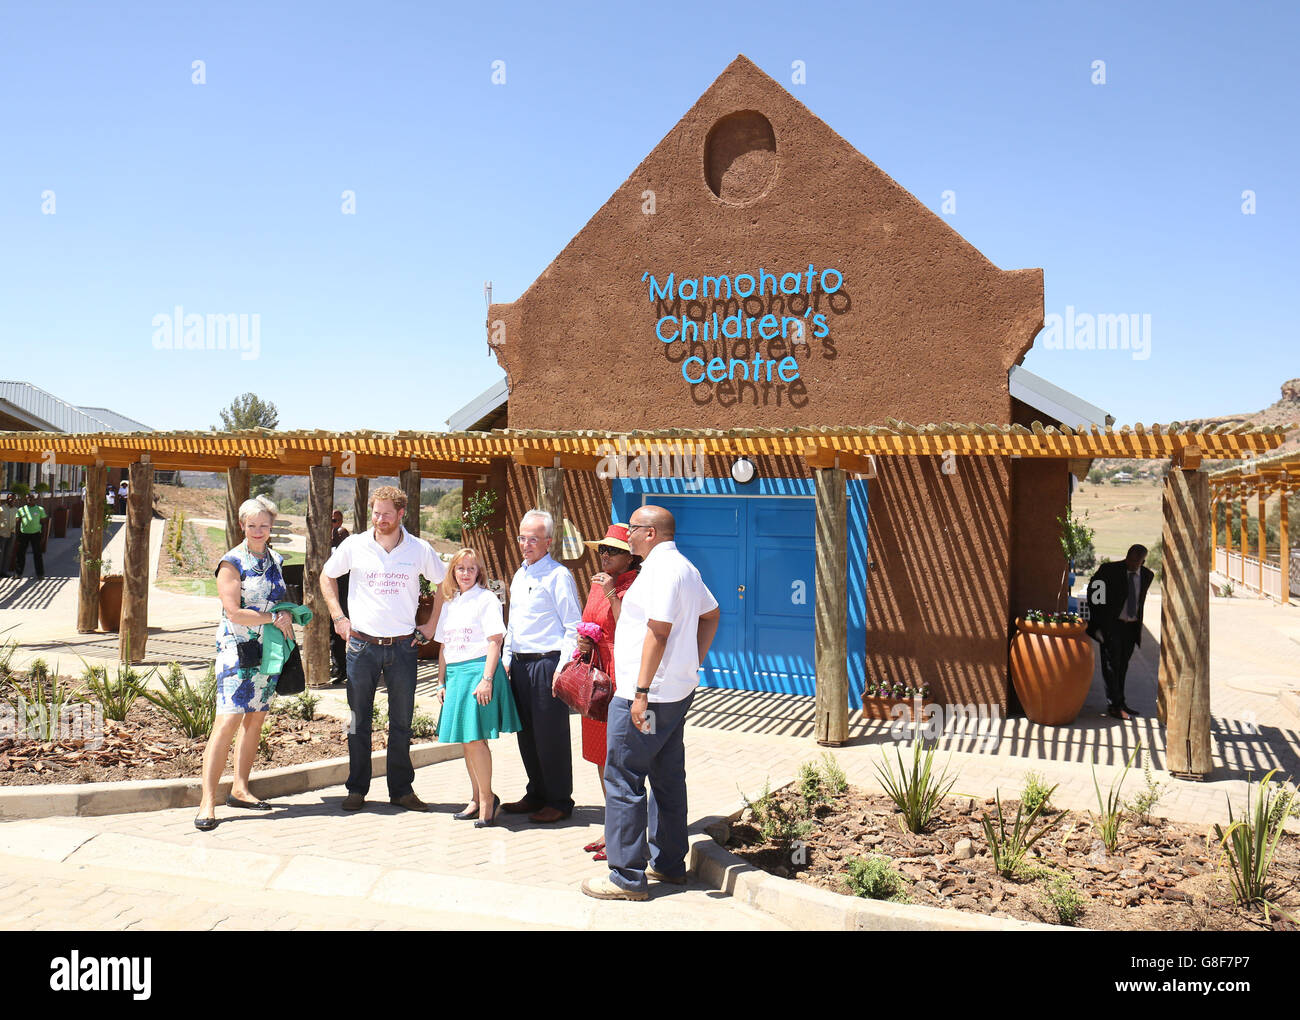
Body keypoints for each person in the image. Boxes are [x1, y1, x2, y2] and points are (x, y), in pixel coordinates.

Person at [582, 505, 719, 901]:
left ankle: (626, 877)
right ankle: (669, 864)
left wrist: (640, 693)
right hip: (673, 694)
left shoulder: (660, 572)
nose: (627, 537)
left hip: (646, 697)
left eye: (633, 530)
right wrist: (691, 661)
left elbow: (658, 631)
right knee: (666, 775)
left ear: (650, 534)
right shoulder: (687, 570)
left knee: (623, 777)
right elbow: (712, 616)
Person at [320, 485, 446, 812]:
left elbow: (444, 583)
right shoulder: (355, 545)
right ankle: (357, 789)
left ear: (401, 514)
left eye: (387, 514)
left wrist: (431, 625)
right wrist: (338, 617)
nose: (380, 520)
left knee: (402, 722)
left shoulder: (419, 549)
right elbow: (326, 576)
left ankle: (401, 791)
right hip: (362, 645)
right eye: (376, 513)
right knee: (357, 720)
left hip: (403, 647)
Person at [196, 495, 296, 830]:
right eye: (252, 525)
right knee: (226, 723)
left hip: (268, 651)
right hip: (236, 650)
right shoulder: (231, 562)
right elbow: (234, 611)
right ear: (242, 525)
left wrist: (287, 625)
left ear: (271, 527)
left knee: (255, 720)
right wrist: (273, 617)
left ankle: (240, 788)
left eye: (264, 525)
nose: (258, 530)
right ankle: (207, 802)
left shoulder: (276, 559)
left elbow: (281, 601)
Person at [501, 508, 582, 823]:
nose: (526, 544)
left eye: (533, 539)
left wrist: (562, 667)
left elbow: (573, 626)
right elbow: (513, 625)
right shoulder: (520, 574)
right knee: (527, 734)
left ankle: (559, 801)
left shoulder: (558, 575)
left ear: (548, 541)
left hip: (547, 664)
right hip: (520, 666)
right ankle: (536, 794)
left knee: (552, 736)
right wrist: (506, 662)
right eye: (522, 538)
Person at [434, 548, 522, 826]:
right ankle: (475, 797)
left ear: (479, 572)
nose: (466, 574)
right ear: (453, 573)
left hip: (478, 672)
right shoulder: (450, 604)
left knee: (476, 739)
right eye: (460, 569)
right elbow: (444, 646)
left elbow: (495, 641)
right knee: (466, 740)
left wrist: (487, 679)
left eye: (471, 569)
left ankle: (487, 800)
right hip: (456, 675)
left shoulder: (486, 599)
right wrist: (440, 681)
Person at [574, 524, 641, 861]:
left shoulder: (636, 584)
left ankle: (628, 832)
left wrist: (614, 592)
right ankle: (611, 825)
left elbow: (630, 626)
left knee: (620, 755)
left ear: (631, 556)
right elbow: (591, 622)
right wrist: (584, 640)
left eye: (613, 551)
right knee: (601, 754)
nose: (605, 555)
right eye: (602, 550)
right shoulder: (597, 583)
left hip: (622, 673)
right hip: (597, 674)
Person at [1085, 544, 1154, 721]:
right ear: (1126, 555)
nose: (1131, 563)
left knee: (1122, 666)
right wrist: (1099, 621)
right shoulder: (1108, 570)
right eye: (1129, 559)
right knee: (1111, 666)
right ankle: (1114, 705)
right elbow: (1094, 593)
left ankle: (1120, 702)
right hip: (1112, 626)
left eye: (1136, 561)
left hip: (1131, 628)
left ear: (1143, 561)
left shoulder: (1147, 576)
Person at [328, 510, 351, 681]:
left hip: (342, 590)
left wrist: (332, 531)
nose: (333, 524)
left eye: (334, 520)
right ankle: (338, 666)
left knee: (337, 634)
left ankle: (341, 667)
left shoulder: (341, 533)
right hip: (330, 589)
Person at [14, 493, 47, 580]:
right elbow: (17, 523)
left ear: (34, 499)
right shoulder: (21, 510)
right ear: (26, 499)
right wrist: (17, 535)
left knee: (37, 554)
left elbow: (43, 523)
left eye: (31, 498)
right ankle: (18, 573)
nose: (29, 500)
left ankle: (40, 574)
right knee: (20, 554)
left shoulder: (40, 509)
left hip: (36, 534)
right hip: (23, 534)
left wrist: (43, 536)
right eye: (28, 498)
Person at [0, 493, 16, 579]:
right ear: (7, 499)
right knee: (1, 553)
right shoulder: (1, 509)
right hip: (2, 534)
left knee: (8, 554)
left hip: (12, 534)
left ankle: (4, 572)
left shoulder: (16, 510)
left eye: (13, 499)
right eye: (9, 498)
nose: (11, 500)